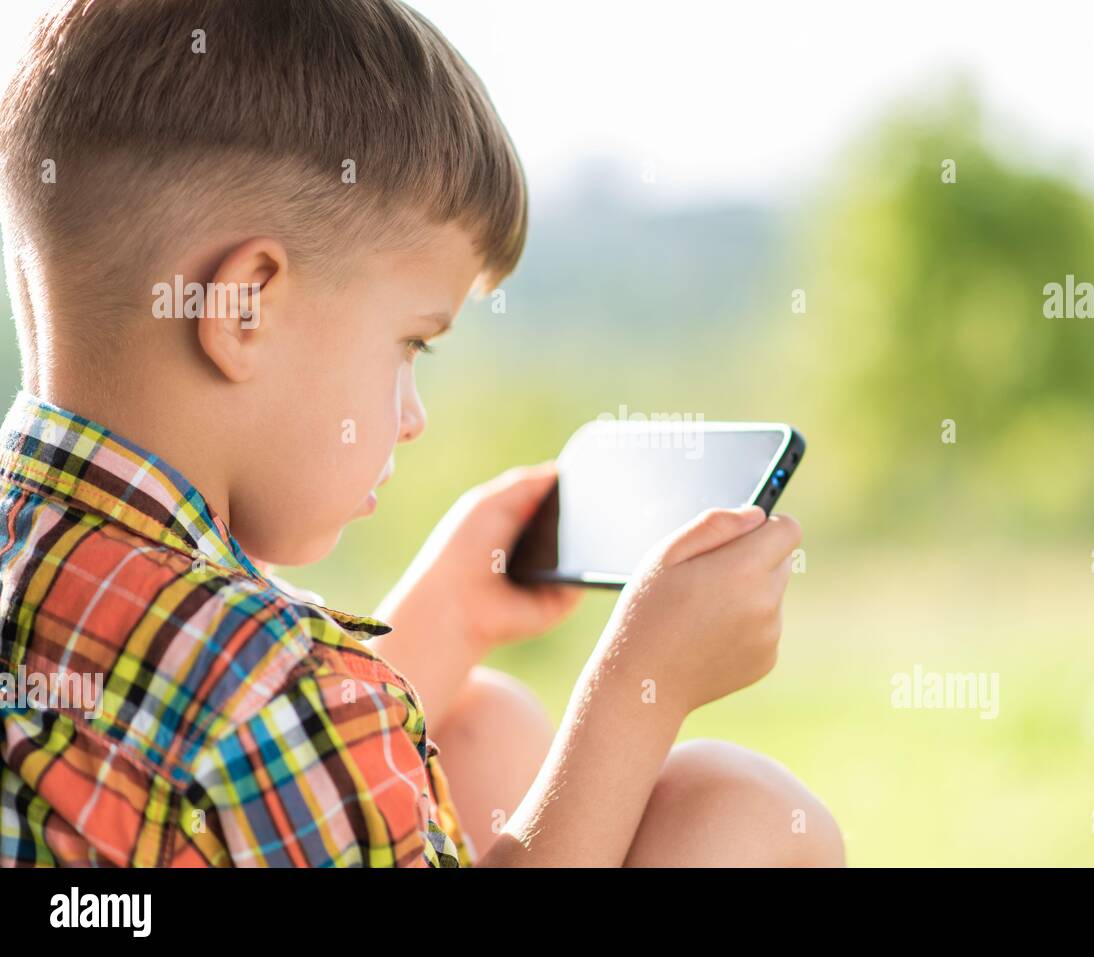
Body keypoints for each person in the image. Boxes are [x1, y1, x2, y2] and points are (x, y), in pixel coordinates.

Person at [0, 0, 843, 868]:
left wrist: (447, 610)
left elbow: (201, 749)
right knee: (739, 810)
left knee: (483, 724)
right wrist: (640, 685)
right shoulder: (289, 693)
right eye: (411, 344)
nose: (412, 414)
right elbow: (264, 713)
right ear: (244, 307)